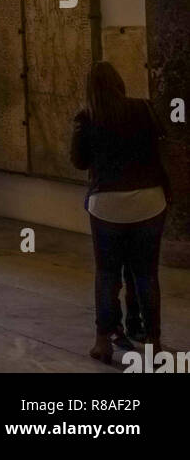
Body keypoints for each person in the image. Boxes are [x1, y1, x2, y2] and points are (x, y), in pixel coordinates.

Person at [71, 61, 170, 364]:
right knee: (146, 274)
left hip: (108, 205)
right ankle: (153, 343)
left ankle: (104, 341)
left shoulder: (87, 117)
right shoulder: (144, 109)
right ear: (120, 83)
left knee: (107, 274)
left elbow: (79, 161)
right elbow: (161, 144)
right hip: (149, 201)